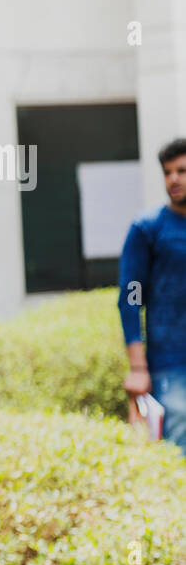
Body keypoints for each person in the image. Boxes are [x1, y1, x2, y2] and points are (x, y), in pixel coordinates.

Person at [120, 137, 186, 456]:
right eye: (168, 172)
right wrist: (137, 366)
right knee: (178, 449)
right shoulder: (148, 229)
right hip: (170, 363)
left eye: (182, 171)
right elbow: (131, 298)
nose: (174, 179)